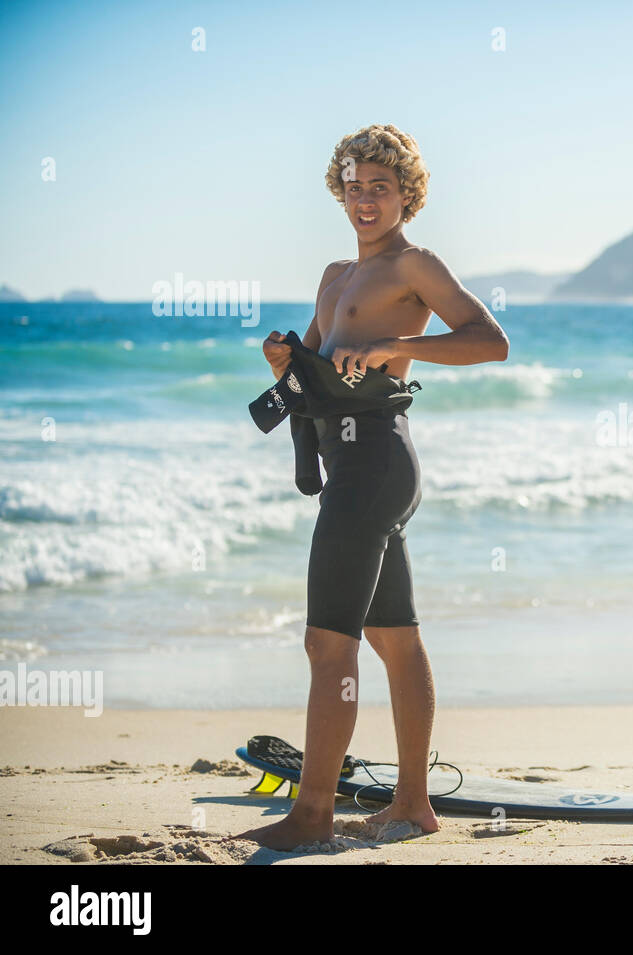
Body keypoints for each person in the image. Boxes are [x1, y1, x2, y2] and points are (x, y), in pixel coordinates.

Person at [236, 125, 509, 850]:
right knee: (394, 635)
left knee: (328, 645)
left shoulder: (414, 265)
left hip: (378, 464)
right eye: (354, 187)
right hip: (353, 464)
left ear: (405, 195)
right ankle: (413, 803)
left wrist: (399, 347)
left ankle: (314, 812)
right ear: (341, 190)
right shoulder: (334, 277)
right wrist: (282, 364)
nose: (365, 199)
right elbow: (317, 380)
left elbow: (489, 339)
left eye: (379, 188)